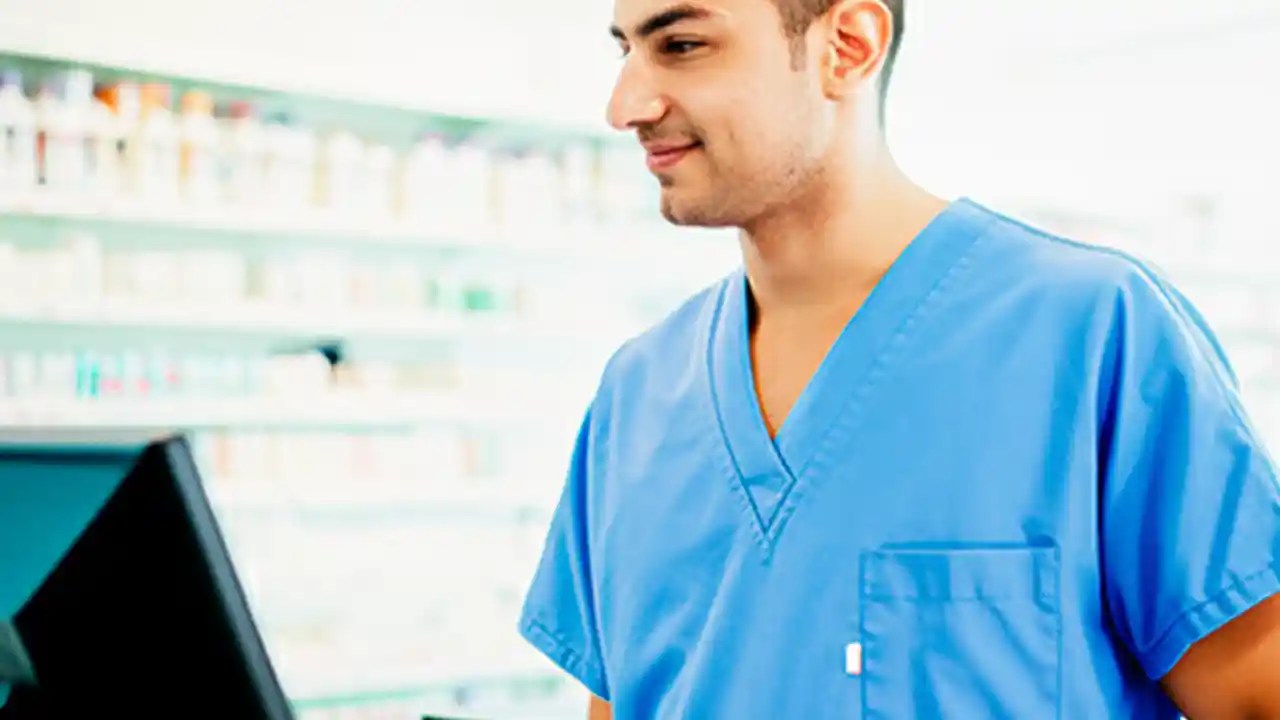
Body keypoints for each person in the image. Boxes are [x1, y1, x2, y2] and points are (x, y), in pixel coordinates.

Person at [518, 0, 1280, 717]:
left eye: (681, 46)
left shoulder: (1092, 333)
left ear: (847, 46)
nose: (625, 106)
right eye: (626, 52)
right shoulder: (637, 394)